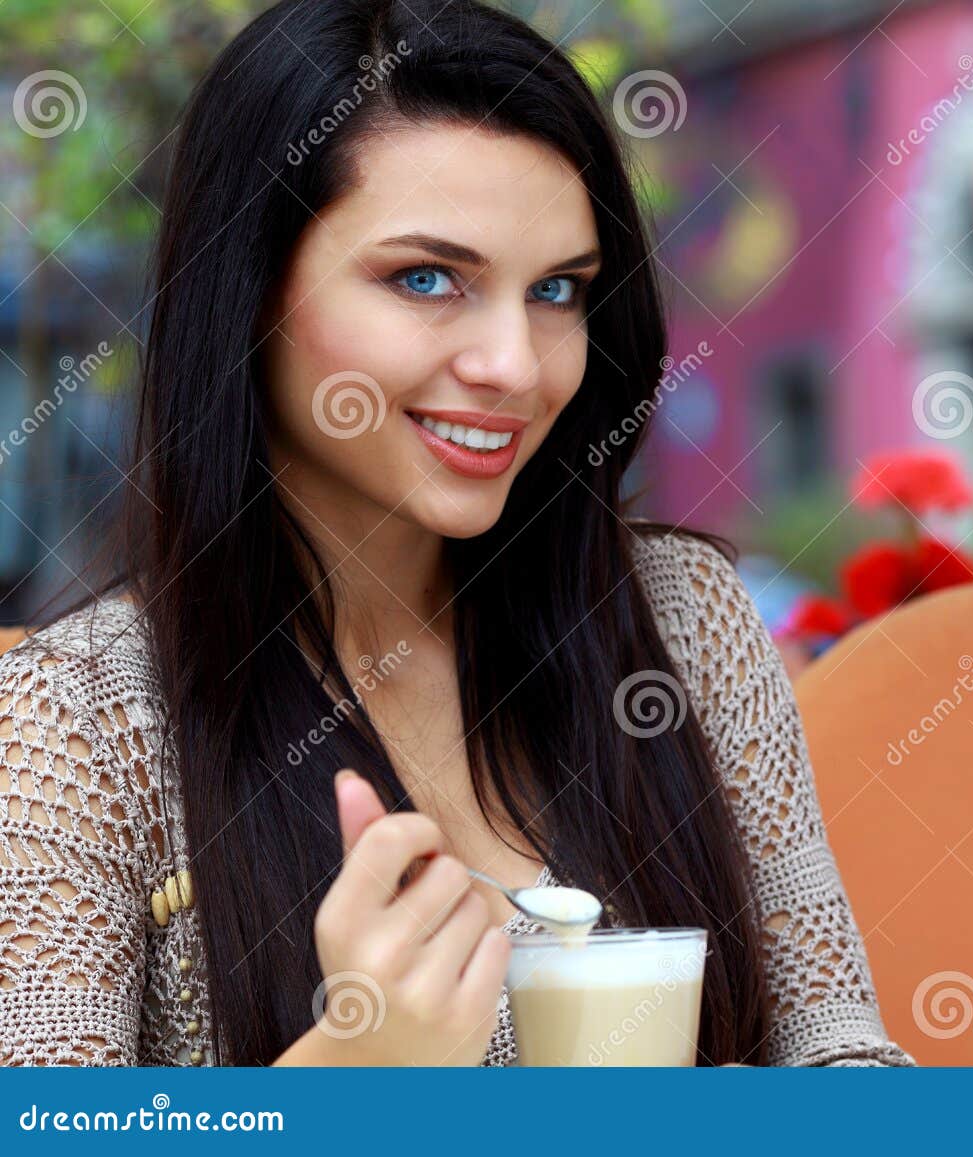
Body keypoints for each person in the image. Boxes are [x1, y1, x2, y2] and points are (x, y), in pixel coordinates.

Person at [0, 0, 913, 1069]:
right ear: (247, 292)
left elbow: (842, 1059)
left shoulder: (682, 624)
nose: (516, 367)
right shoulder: (78, 728)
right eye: (427, 278)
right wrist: (352, 1069)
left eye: (558, 290)